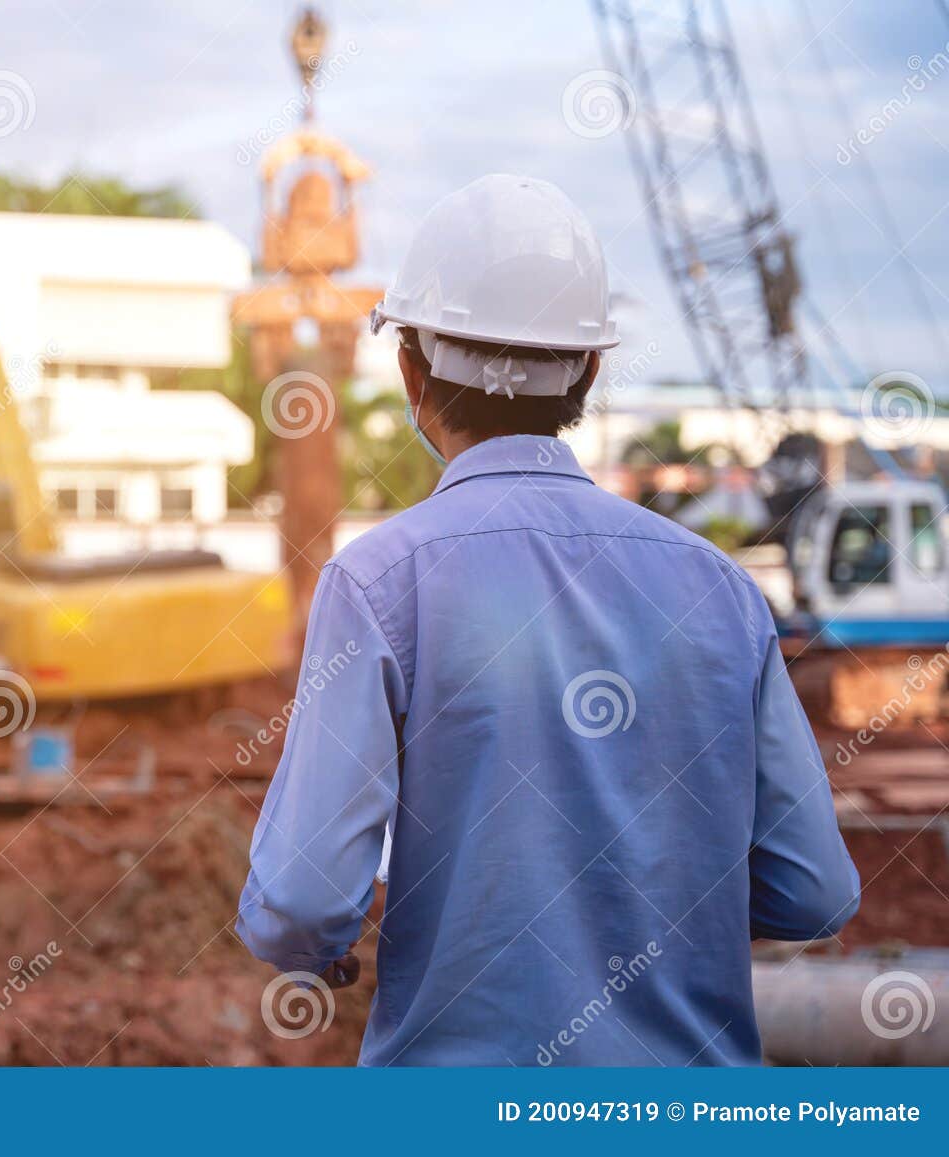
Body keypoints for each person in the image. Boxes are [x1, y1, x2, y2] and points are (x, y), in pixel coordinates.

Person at [236, 174, 859, 1066]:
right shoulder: (719, 588)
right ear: (592, 370)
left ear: (412, 370)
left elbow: (301, 900)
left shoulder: (378, 583)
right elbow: (815, 893)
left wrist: (306, 943)